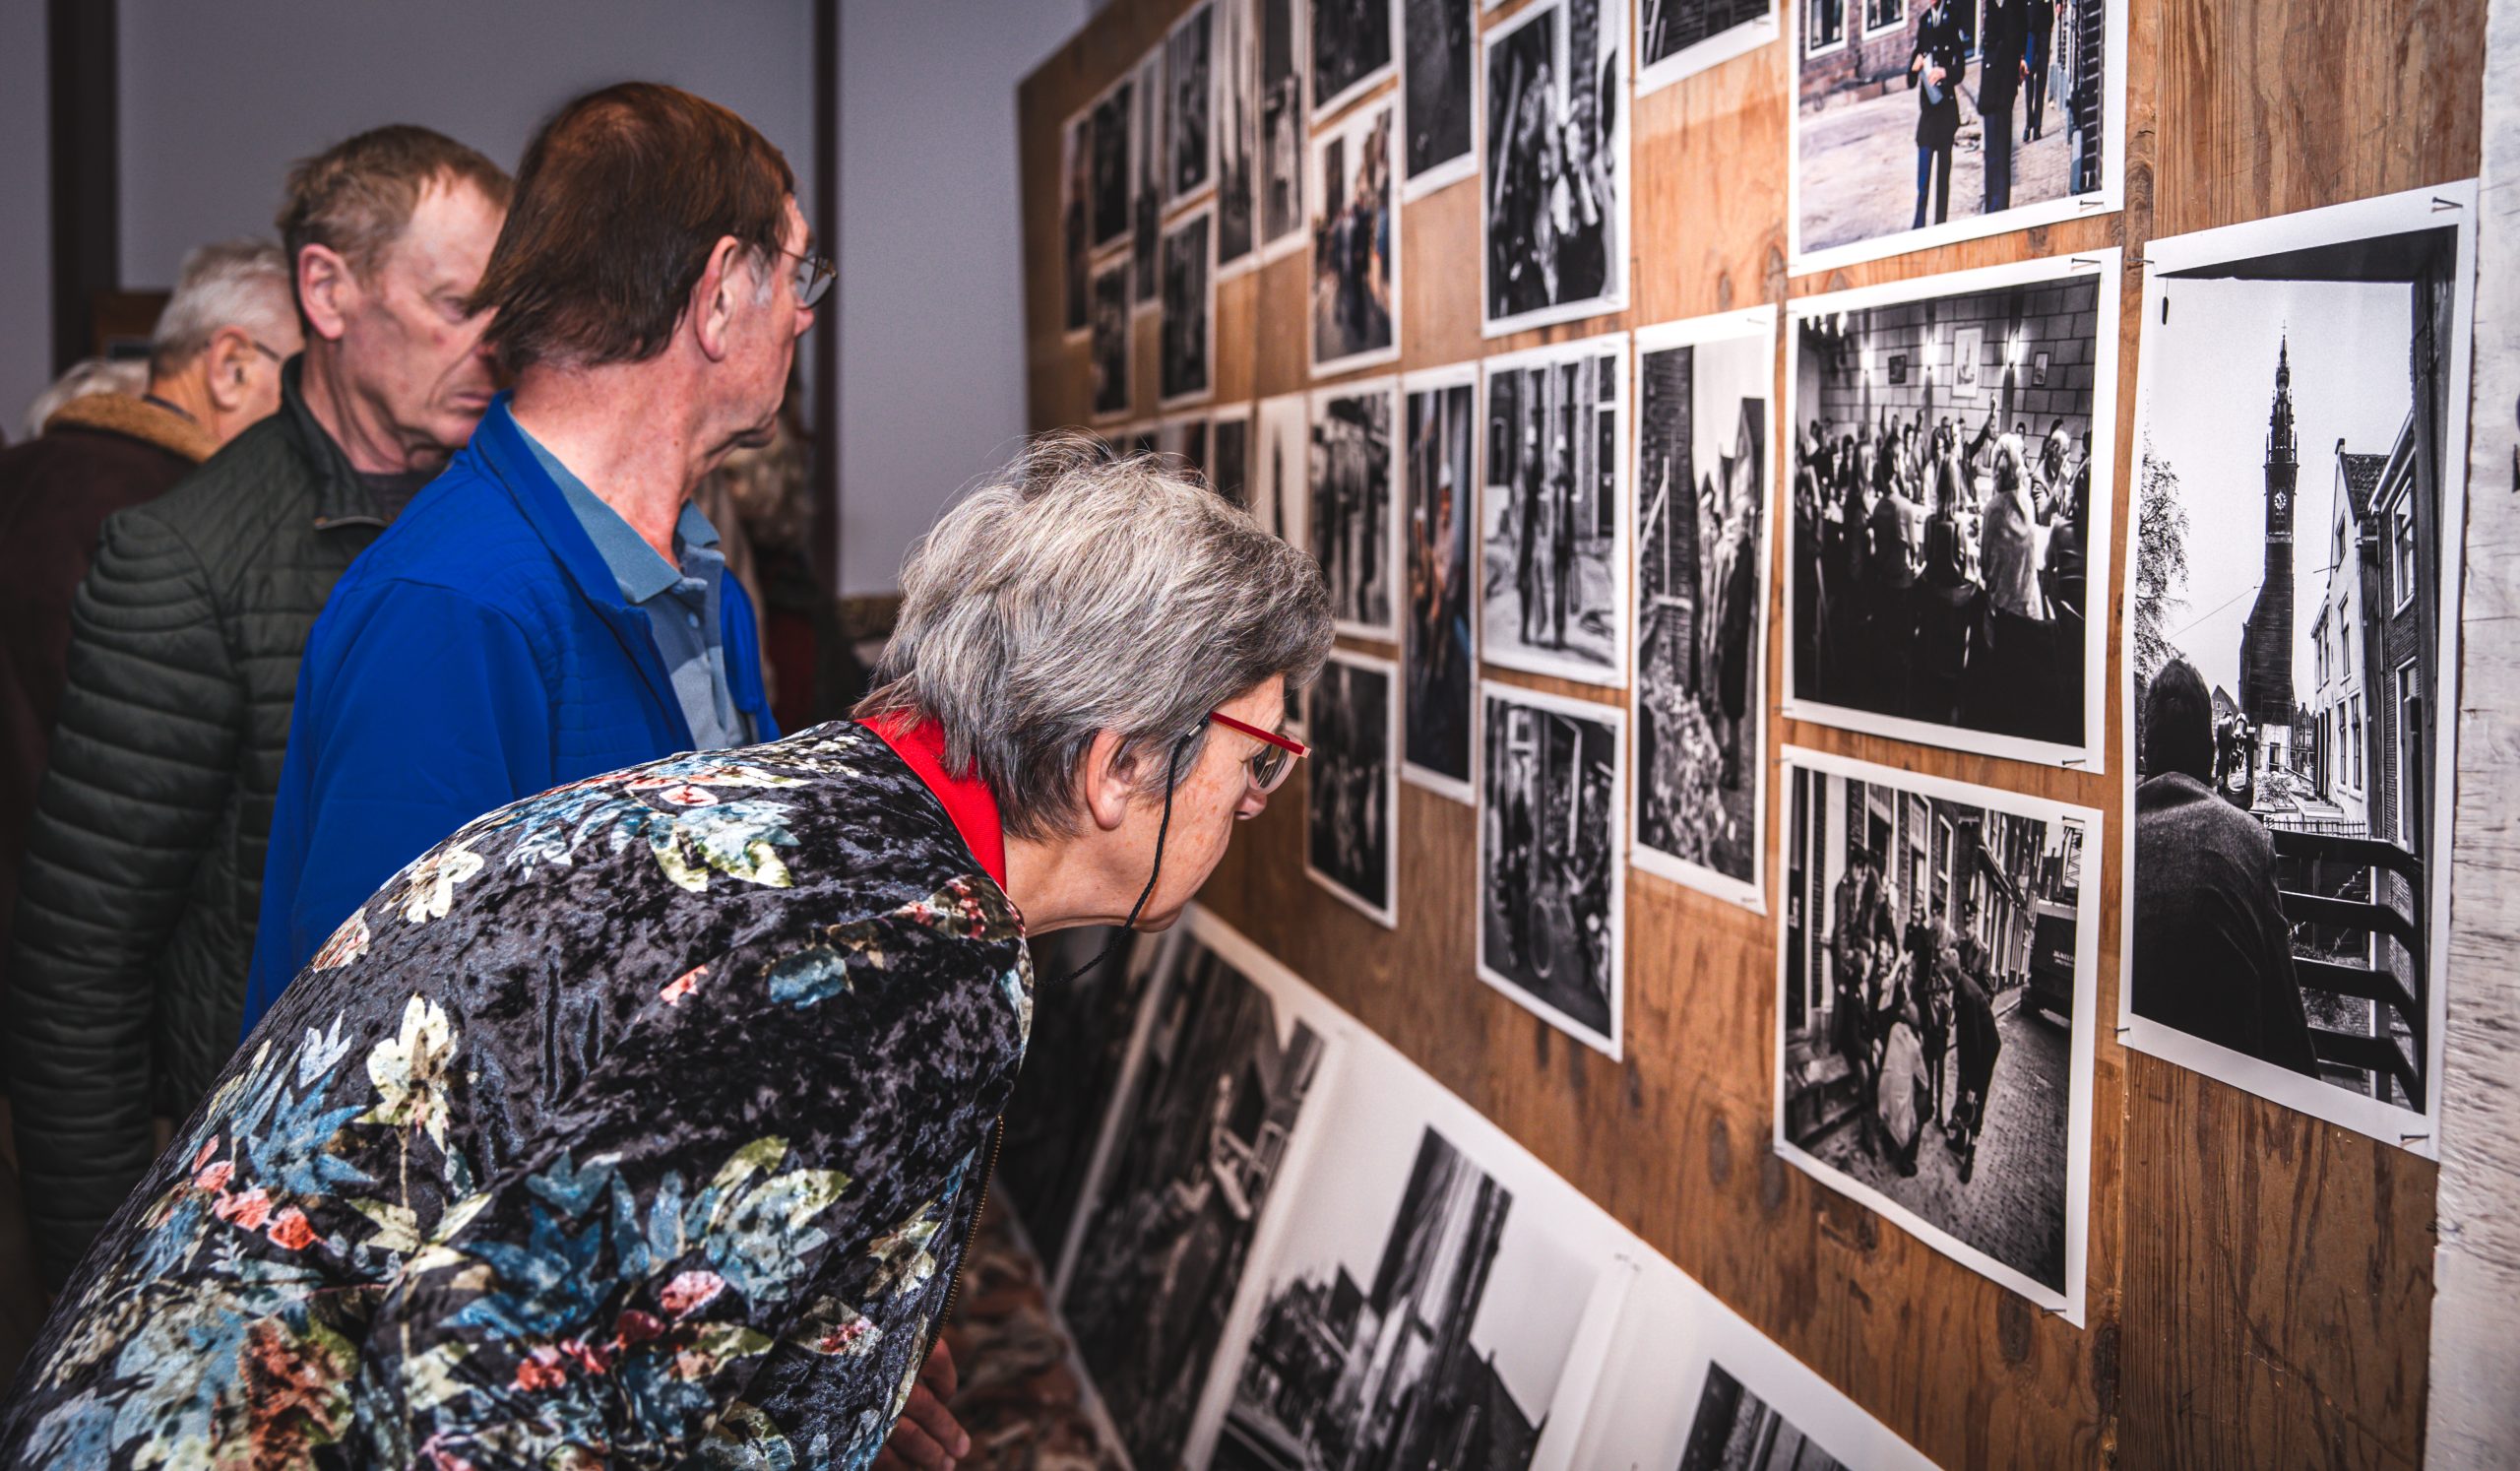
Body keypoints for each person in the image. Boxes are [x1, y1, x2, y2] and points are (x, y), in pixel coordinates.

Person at [0, 438, 1333, 1469]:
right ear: (1114, 766)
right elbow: (491, 1407)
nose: (1254, 807)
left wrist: (822, 1361)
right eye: (1256, 764)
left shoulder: (818, 810)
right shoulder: (912, 965)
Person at [8, 129, 508, 1291]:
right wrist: (104, 1299)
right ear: (327, 290)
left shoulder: (493, 524)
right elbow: (79, 970)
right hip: (261, 1198)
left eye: (507, 308)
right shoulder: (183, 560)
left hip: (464, 1197)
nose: (490, 344)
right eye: (454, 304)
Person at [240, 85, 818, 1032]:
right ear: (717, 298)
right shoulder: (448, 610)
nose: (802, 315)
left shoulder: (706, 584)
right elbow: (386, 1068)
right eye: (799, 274)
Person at [0, 243, 298, 998]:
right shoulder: (185, 530)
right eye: (304, 377)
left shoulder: (24, 473)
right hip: (99, 990)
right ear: (230, 366)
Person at [2130, 660, 2320, 1073]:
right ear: (2213, 748)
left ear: (2146, 747)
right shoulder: (2250, 839)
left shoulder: (2116, 831)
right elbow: (2286, 1020)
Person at [1909, 0, 1969, 230]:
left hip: (1945, 111)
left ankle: (1940, 227)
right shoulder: (1924, 21)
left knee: (1943, 176)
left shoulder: (1953, 15)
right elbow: (1911, 77)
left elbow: (1960, 69)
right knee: (1923, 179)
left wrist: (1945, 71)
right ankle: (1919, 227)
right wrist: (1913, 68)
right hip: (1928, 114)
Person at [1979, 0, 2030, 215]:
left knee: (2002, 147)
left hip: (2006, 79)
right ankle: (1990, 206)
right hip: (1991, 81)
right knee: (1991, 150)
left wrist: (2022, 59)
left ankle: (2001, 207)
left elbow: (2022, 30)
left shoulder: (2015, 4)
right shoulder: (1990, 4)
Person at [2025, 0, 2057, 143]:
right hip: (2029, 24)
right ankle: (2028, 122)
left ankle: (2037, 126)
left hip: (2044, 22)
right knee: (2029, 73)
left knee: (2042, 75)